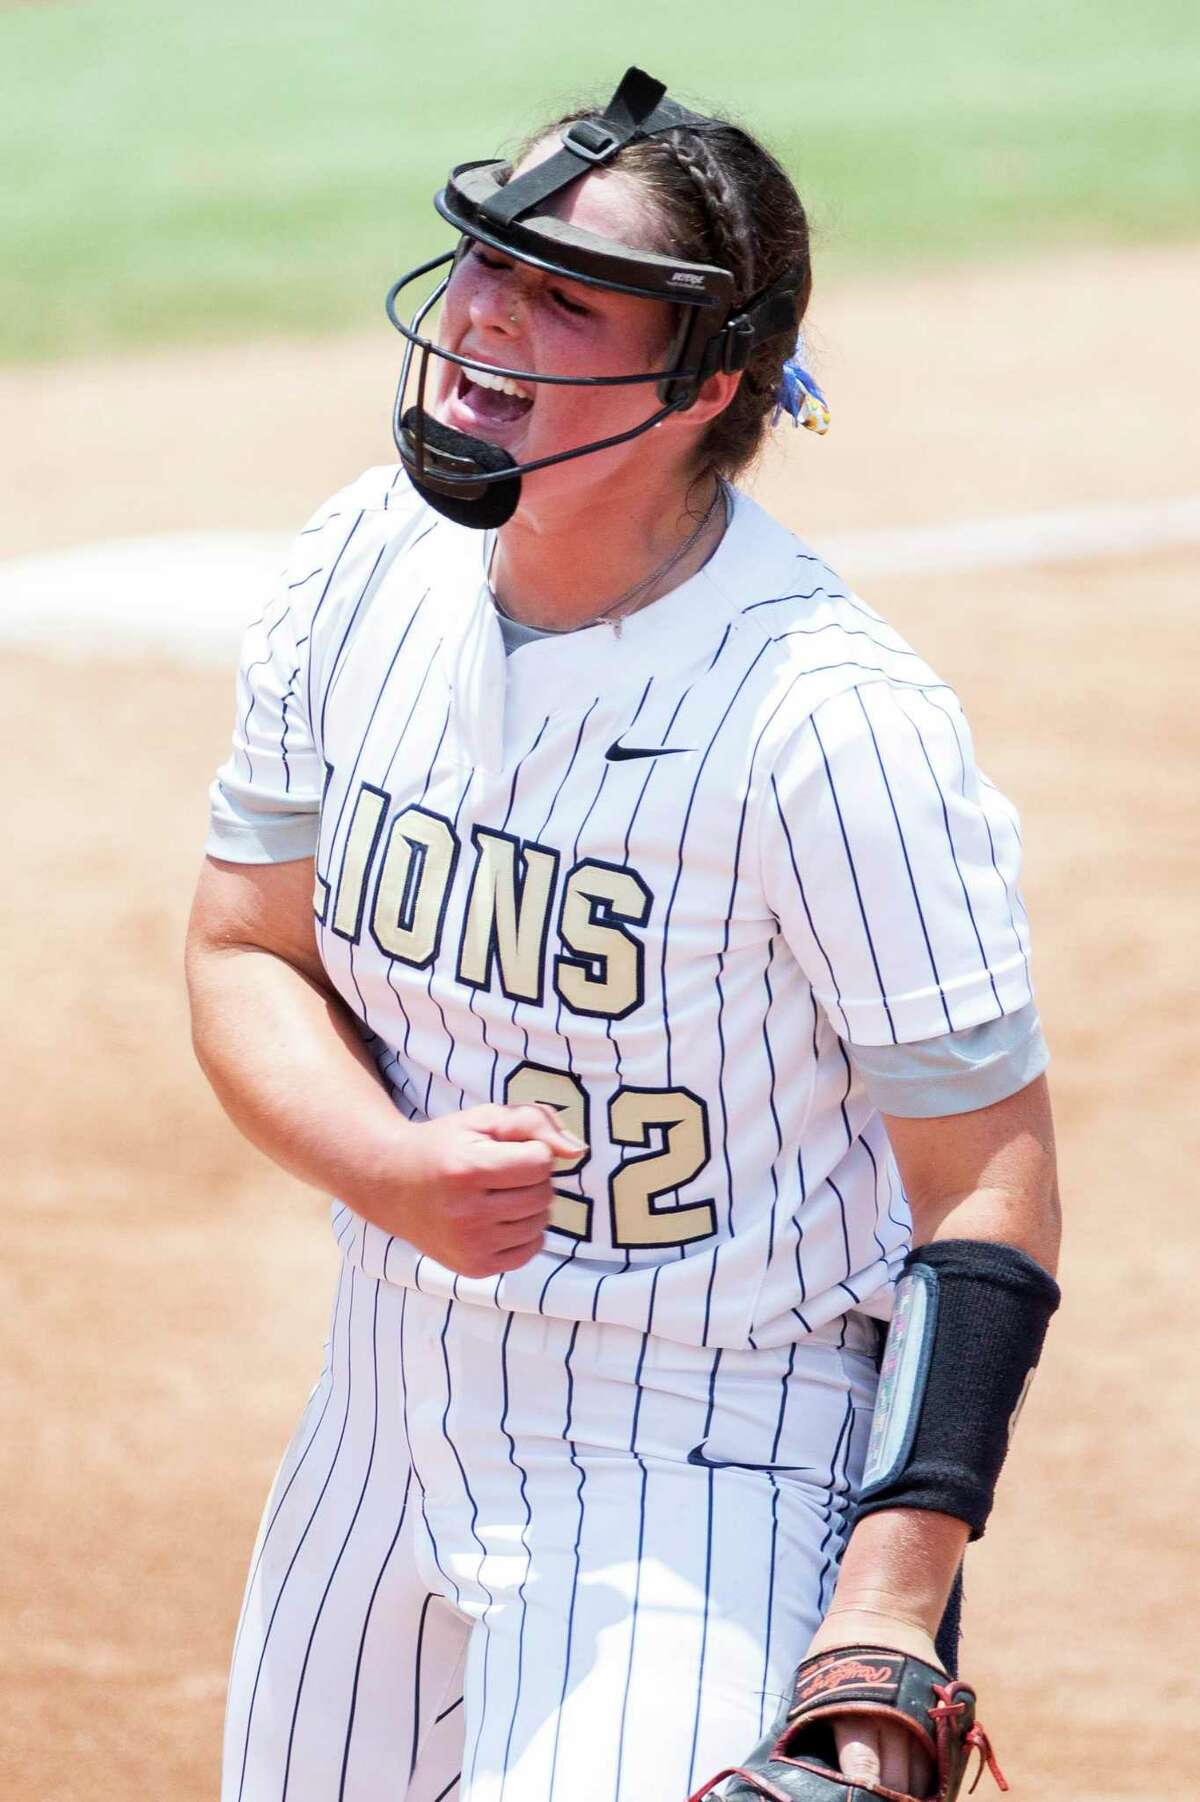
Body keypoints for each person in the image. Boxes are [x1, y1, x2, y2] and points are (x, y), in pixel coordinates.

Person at [186, 68, 1061, 1802]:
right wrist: (386, 1159)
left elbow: (990, 1182)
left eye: (560, 294)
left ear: (704, 380)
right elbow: (241, 947)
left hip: (701, 1459)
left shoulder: (831, 722)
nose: (482, 316)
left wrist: (881, 1620)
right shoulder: (357, 568)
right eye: (486, 259)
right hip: (376, 1436)